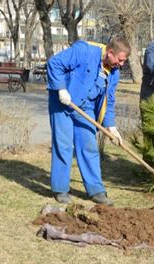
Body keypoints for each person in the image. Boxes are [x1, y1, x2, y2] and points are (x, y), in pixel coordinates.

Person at [46, 37, 131, 206]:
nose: (121, 64)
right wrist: (61, 89)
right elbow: (54, 63)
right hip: (63, 102)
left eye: (124, 61)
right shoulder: (84, 51)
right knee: (63, 145)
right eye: (120, 60)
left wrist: (111, 127)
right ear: (110, 52)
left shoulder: (114, 72)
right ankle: (61, 189)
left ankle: (96, 190)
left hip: (85, 108)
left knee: (89, 145)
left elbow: (109, 99)